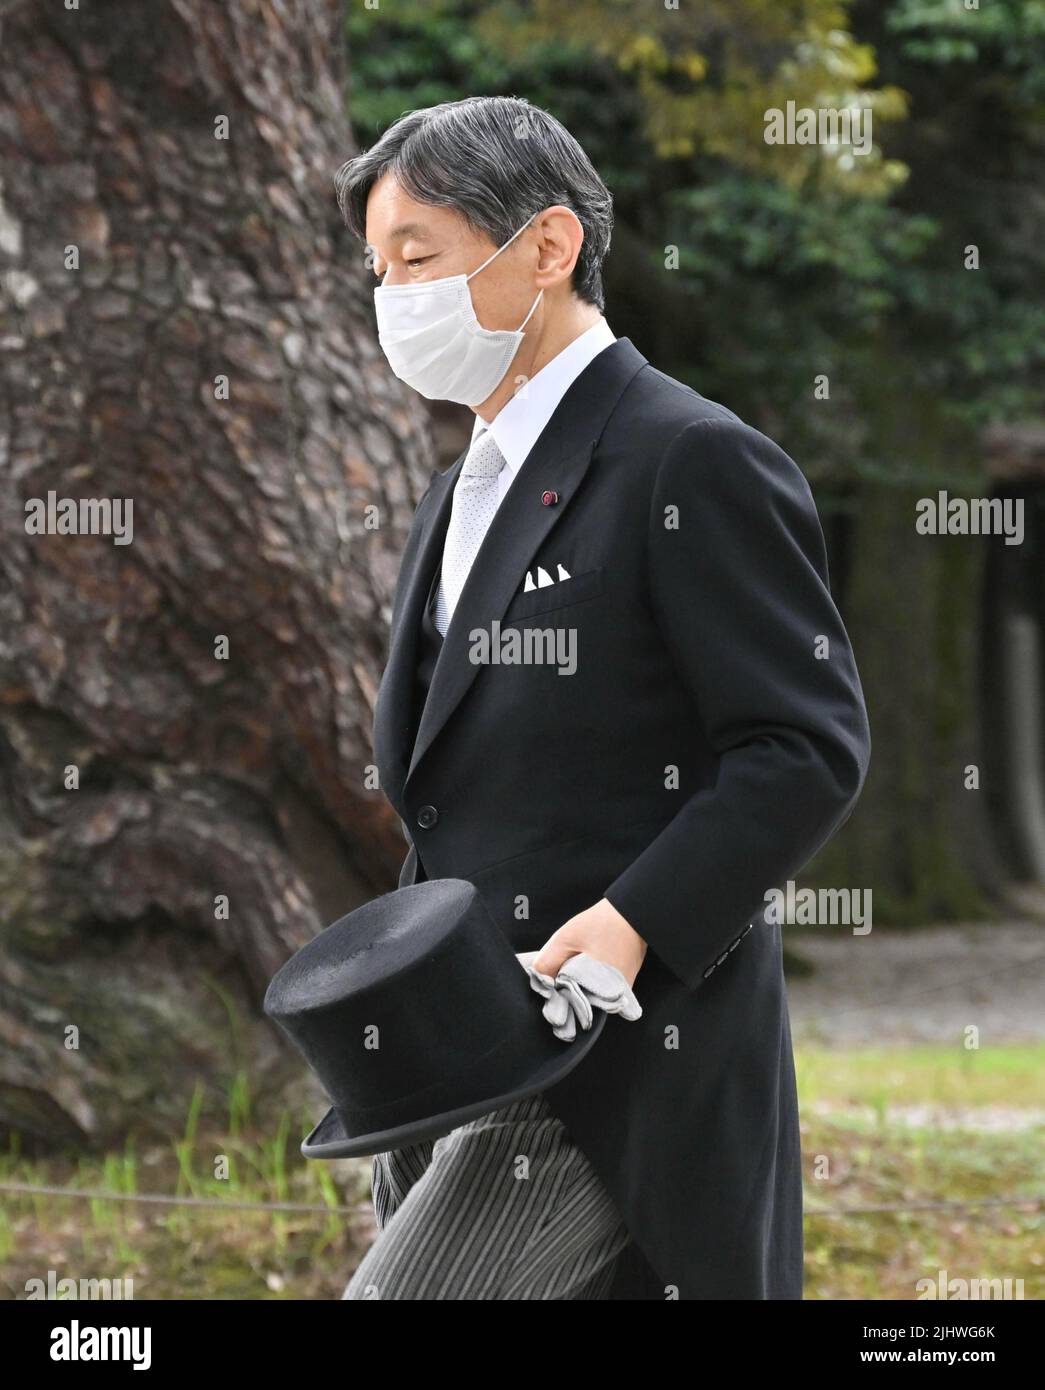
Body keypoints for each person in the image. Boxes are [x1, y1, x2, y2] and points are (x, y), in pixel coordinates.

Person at [334, 94, 871, 1300]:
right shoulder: (455, 490)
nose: (392, 296)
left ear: (549, 245)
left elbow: (804, 744)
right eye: (377, 268)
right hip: (452, 1062)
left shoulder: (691, 457)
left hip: (616, 1072)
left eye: (415, 256)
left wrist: (632, 925)